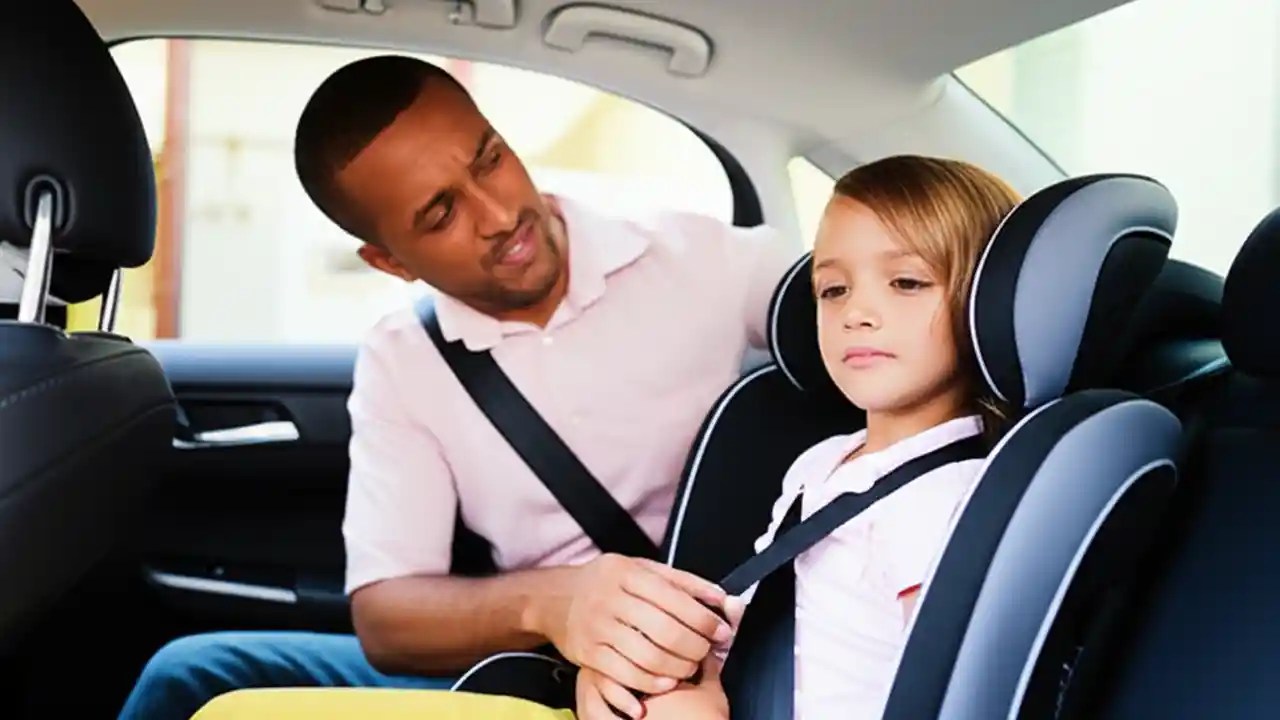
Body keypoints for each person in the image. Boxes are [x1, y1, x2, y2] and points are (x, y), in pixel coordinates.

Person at [116, 55, 798, 720]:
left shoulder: (708, 259)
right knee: (189, 677)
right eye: (441, 215)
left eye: (489, 160)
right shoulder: (404, 363)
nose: (499, 216)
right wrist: (555, 605)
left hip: (732, 634)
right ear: (388, 261)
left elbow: (878, 308)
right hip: (547, 662)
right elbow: (385, 618)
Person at [578, 155, 1021, 719]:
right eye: (833, 289)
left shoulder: (943, 500)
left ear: (986, 302)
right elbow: (758, 617)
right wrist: (635, 671)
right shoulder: (824, 462)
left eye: (906, 282)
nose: (857, 311)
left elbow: (937, 697)